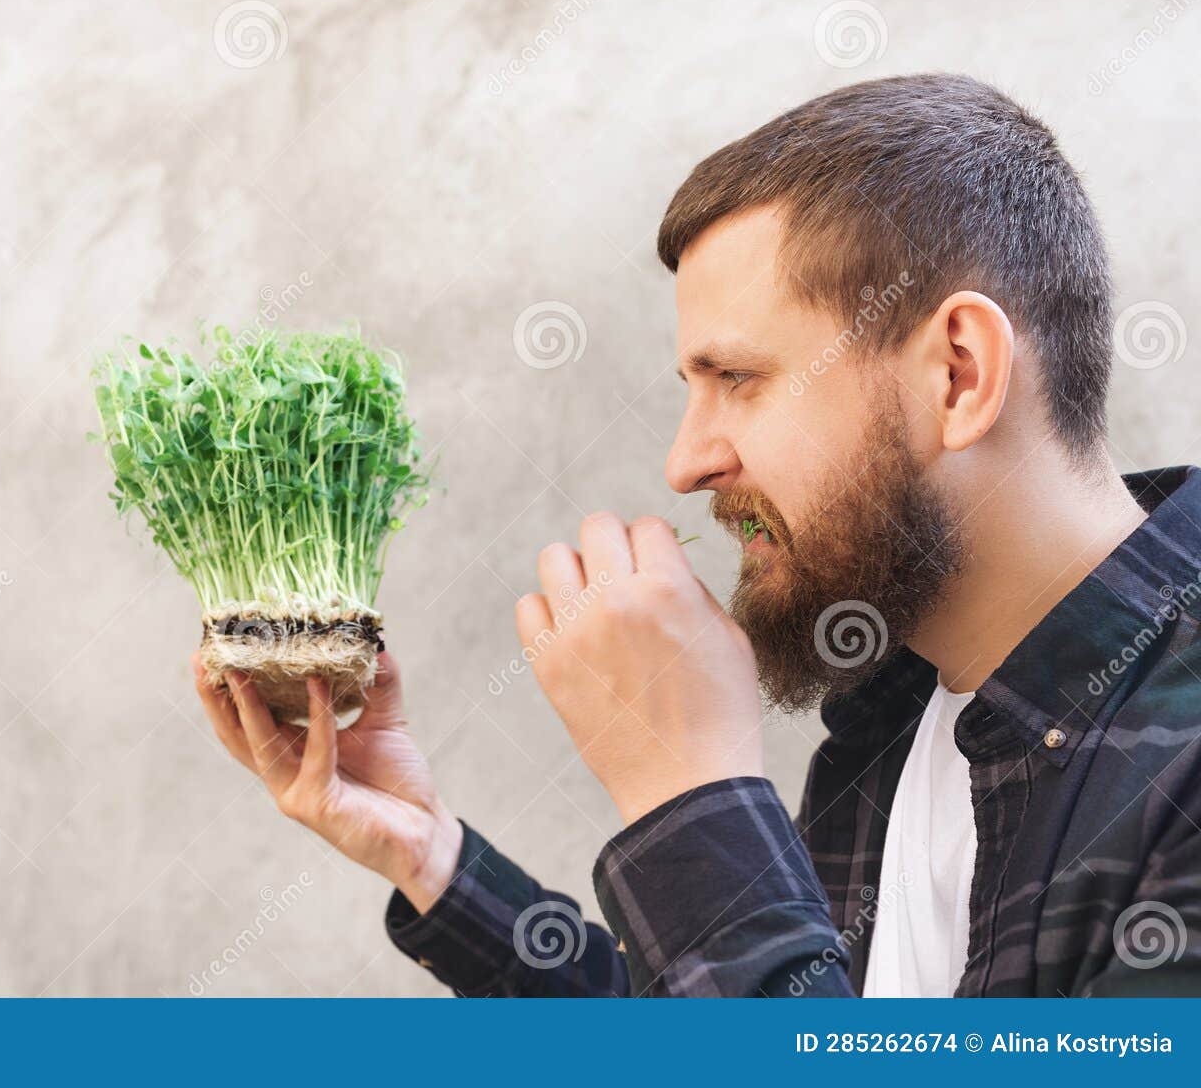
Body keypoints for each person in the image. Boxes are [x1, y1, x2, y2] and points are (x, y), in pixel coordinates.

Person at [192, 73, 1201, 996]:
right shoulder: (892, 727)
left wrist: (689, 788)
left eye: (740, 380)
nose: (686, 463)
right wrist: (432, 862)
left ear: (957, 375)